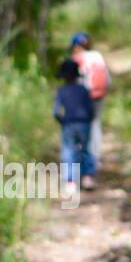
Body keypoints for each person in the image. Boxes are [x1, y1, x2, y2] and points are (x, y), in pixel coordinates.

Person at [53, 58, 96, 192]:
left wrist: (62, 121)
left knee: (68, 151)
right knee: (85, 150)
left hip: (69, 124)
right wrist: (89, 120)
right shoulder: (84, 90)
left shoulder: (61, 91)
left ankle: (70, 181)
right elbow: (92, 109)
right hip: (84, 123)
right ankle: (87, 177)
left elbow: (56, 111)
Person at [70, 33, 109, 172]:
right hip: (99, 95)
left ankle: (81, 159)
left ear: (75, 46)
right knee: (95, 124)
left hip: (82, 97)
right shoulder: (97, 55)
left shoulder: (75, 59)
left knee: (81, 127)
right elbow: (107, 79)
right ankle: (94, 157)